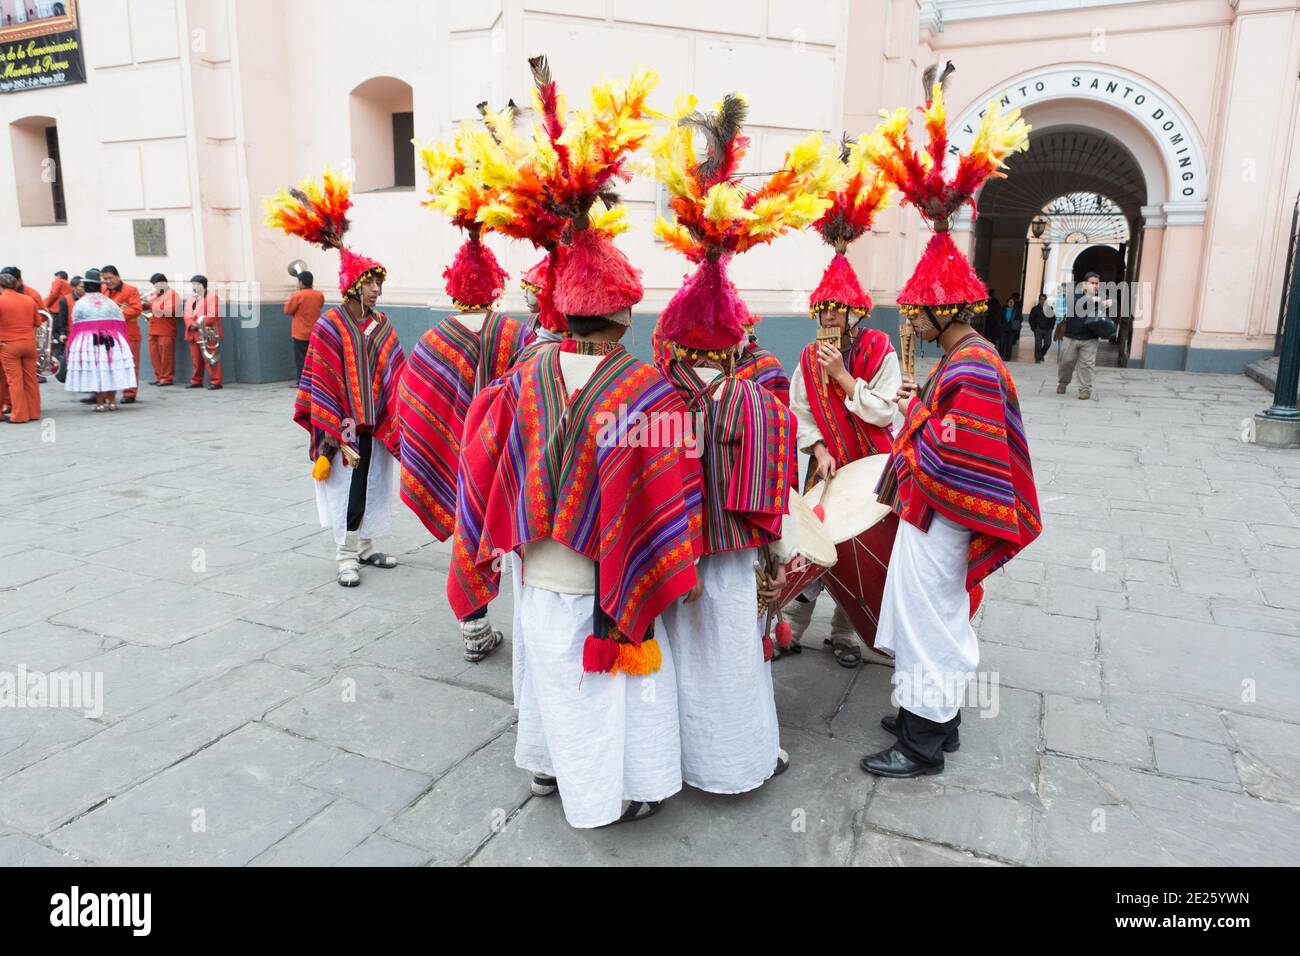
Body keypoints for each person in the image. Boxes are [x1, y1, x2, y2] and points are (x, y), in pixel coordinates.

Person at [450, 62, 693, 827]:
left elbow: (484, 463)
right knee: (612, 684)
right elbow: (668, 480)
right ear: (621, 318)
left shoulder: (520, 377)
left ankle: (550, 770)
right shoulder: (648, 387)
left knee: (548, 670)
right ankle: (618, 787)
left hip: (538, 565)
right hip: (611, 570)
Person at [861, 63, 1040, 778]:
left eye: (919, 311)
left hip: (945, 517)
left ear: (945, 312)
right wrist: (916, 420)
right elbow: (944, 431)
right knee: (920, 614)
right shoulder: (968, 361)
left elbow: (963, 453)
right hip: (930, 516)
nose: (913, 319)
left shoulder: (970, 366)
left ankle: (924, 744)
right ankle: (925, 713)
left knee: (932, 619)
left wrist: (910, 441)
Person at [649, 94, 830, 793]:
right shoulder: (763, 406)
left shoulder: (652, 400)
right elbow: (776, 500)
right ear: (733, 346)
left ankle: (679, 762)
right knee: (733, 662)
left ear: (674, 341)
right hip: (733, 568)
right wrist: (771, 558)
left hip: (674, 562)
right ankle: (740, 764)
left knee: (681, 662)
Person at [783, 148, 898, 668]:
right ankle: (791, 628)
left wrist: (843, 378)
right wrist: (819, 445)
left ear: (855, 315)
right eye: (823, 309)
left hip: (874, 468)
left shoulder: (878, 349)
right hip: (828, 466)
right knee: (820, 539)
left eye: (838, 310)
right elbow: (798, 411)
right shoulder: (807, 356)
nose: (829, 317)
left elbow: (883, 413)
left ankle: (845, 633)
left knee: (861, 548)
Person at [266, 167, 407, 588]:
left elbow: (394, 370)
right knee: (348, 486)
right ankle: (345, 553)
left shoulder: (381, 323)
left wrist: (399, 410)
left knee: (375, 484)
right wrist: (330, 426)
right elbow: (322, 377)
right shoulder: (330, 325)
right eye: (372, 284)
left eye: (380, 284)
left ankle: (364, 546)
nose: (377, 291)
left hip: (375, 423)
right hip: (342, 428)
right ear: (354, 287)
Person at [398, 222, 527, 661]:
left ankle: (474, 626)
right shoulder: (517, 334)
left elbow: (412, 404)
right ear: (494, 288)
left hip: (454, 461)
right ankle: (529, 629)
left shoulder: (432, 341)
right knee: (516, 534)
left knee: (467, 532)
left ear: (453, 290)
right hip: (511, 462)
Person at [63, 268, 136, 412]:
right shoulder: (110, 302)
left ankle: (100, 403)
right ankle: (113, 401)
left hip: (89, 341)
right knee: (111, 368)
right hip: (111, 340)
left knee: (97, 370)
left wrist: (71, 345)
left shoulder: (81, 303)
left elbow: (75, 326)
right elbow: (121, 324)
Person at [1057, 272, 1112, 401]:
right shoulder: (1075, 296)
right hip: (1071, 336)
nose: (1094, 285)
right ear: (1085, 284)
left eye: (1096, 283)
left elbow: (1113, 305)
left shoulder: (1102, 296)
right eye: (1091, 283)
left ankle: (1085, 389)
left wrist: (1111, 303)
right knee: (1066, 361)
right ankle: (1063, 382)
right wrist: (1091, 299)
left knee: (1087, 364)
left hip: (1090, 338)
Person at [0, 271, 42, 423]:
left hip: (8, 345)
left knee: (14, 381)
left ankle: (19, 415)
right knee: (31, 379)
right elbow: (37, 322)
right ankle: (34, 412)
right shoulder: (28, 300)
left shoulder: (1, 300)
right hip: (29, 343)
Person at [101, 266, 143, 404]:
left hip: (129, 333)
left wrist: (116, 314)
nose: (108, 281)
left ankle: (130, 393)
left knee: (131, 364)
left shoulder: (131, 290)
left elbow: (136, 309)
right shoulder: (103, 291)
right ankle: (106, 394)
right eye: (105, 279)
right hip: (109, 334)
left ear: (118, 277)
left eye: (110, 278)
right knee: (108, 364)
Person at [284, 269, 325, 382]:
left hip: (300, 333)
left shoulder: (297, 295)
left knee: (301, 358)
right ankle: (314, 380)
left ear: (301, 283)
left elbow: (287, 310)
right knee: (313, 358)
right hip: (315, 331)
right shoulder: (319, 295)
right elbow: (320, 306)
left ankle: (302, 381)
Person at [184, 275, 222, 390]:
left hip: (207, 331)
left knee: (210, 357)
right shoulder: (191, 299)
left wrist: (199, 323)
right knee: (196, 358)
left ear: (202, 285)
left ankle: (216, 381)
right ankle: (196, 380)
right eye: (193, 284)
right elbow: (186, 314)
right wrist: (191, 324)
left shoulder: (212, 297)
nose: (193, 287)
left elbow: (212, 314)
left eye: (195, 284)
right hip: (193, 332)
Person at [145, 273, 180, 386]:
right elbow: (149, 307)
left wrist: (151, 302)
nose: (154, 288)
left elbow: (169, 310)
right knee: (154, 355)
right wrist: (142, 304)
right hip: (153, 329)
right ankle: (159, 376)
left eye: (156, 285)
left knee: (166, 355)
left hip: (166, 329)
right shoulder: (156, 296)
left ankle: (166, 378)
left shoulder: (172, 294)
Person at [1029, 293, 1054, 363]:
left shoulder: (1050, 308)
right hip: (1038, 329)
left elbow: (1053, 319)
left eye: (1044, 300)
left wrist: (1051, 327)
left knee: (1048, 343)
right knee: (1038, 344)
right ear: (1039, 300)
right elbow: (1031, 319)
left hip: (1047, 330)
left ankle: (1041, 355)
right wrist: (1033, 328)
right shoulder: (1034, 309)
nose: (1042, 301)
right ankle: (1037, 358)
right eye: (1041, 299)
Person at [999, 292, 1022, 360]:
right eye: (1009, 302)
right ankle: (1000, 355)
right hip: (1003, 328)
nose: (1011, 303)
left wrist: (1016, 322)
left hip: (1011, 329)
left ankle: (1007, 357)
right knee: (1002, 342)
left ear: (1014, 303)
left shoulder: (1016, 310)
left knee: (1009, 343)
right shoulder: (1003, 309)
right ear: (1007, 303)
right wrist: (1000, 324)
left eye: (1012, 302)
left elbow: (1020, 318)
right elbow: (998, 318)